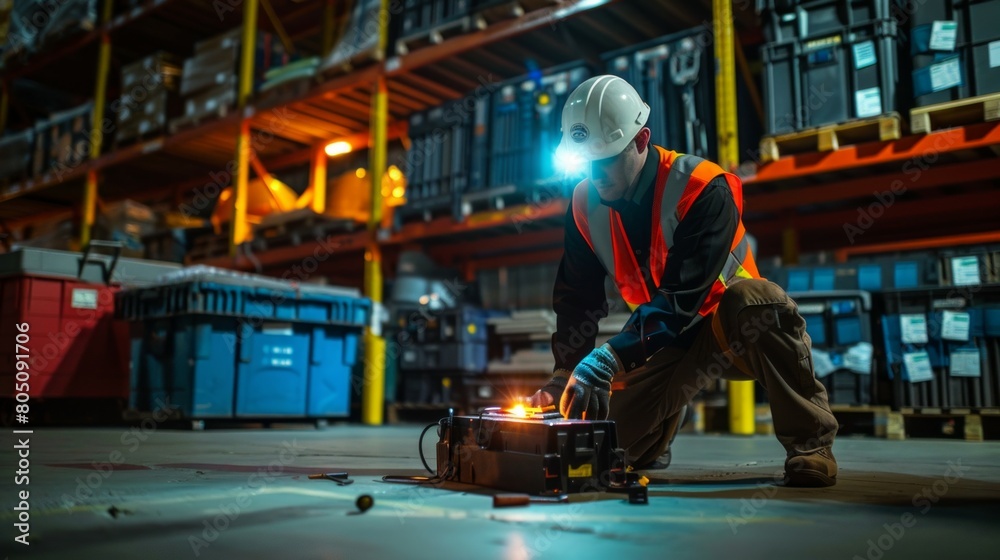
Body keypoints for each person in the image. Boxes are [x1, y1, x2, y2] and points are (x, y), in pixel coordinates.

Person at [528, 75, 839, 487]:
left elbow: (681, 297)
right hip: (665, 341)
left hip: (734, 330)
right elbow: (577, 298)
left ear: (641, 140)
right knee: (605, 448)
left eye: (606, 159)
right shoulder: (584, 204)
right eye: (586, 161)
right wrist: (564, 371)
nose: (596, 173)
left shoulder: (702, 187)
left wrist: (608, 358)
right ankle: (656, 435)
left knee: (757, 298)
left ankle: (810, 445)